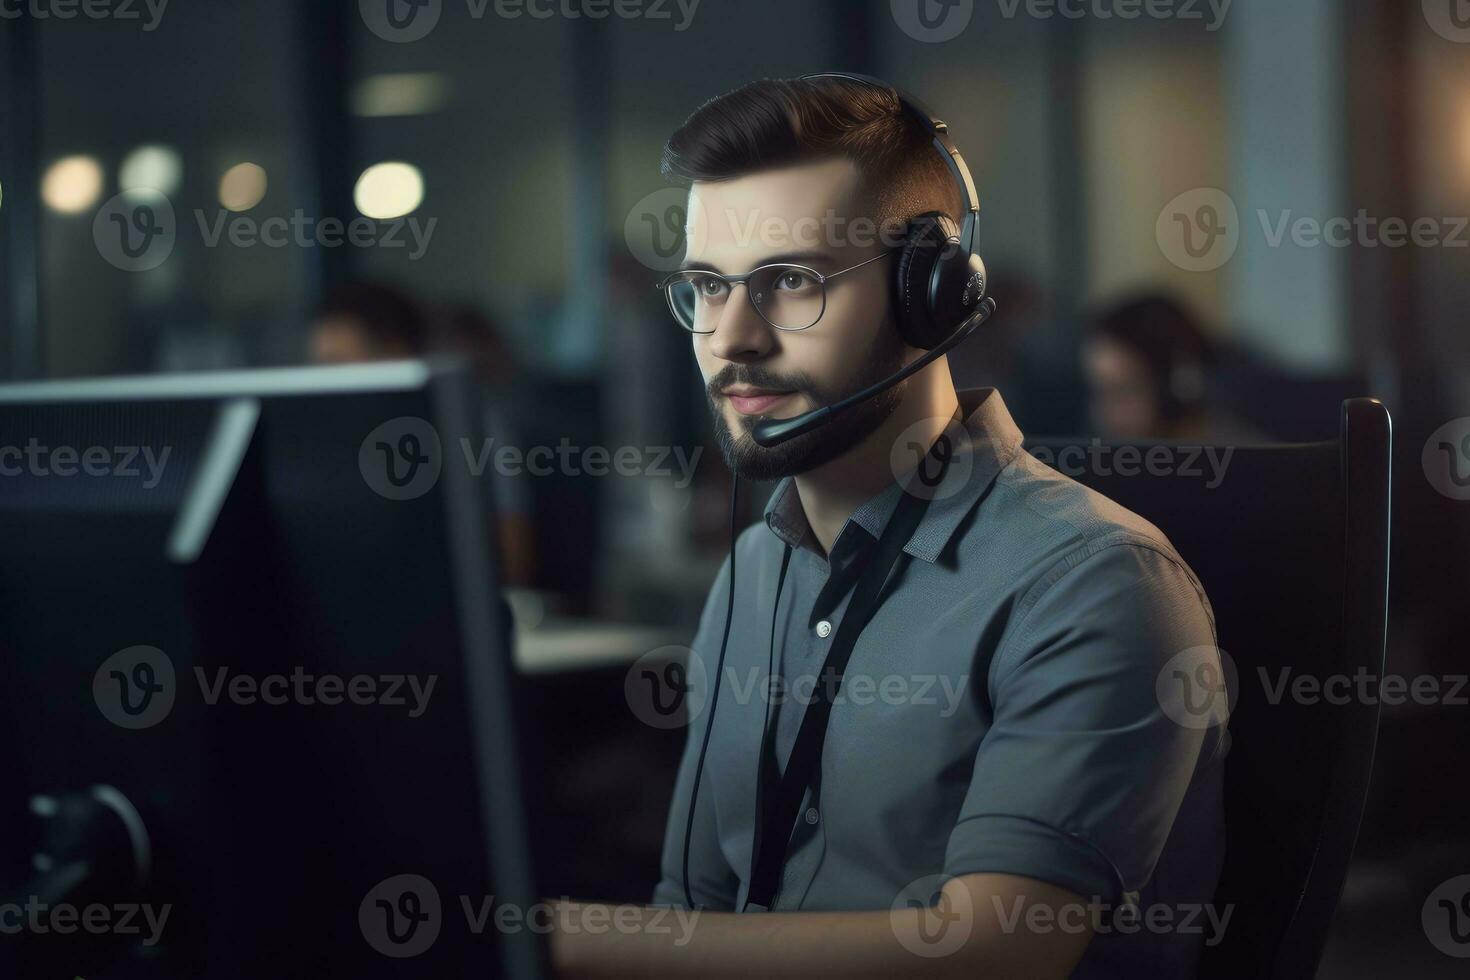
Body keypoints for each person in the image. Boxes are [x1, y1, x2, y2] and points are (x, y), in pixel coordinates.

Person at [549, 75, 1228, 978]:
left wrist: (563, 943)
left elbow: (992, 957)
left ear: (930, 294)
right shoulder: (757, 569)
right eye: (709, 287)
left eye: (789, 281)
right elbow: (696, 912)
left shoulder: (1096, 583)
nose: (733, 337)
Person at [308, 282, 535, 586]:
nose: (323, 383)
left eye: (336, 364)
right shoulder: (323, 439)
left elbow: (509, 557)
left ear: (394, 354)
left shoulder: (464, 424)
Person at [1083, 293, 1252, 442]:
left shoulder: (1250, 464)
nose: (1105, 414)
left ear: (1179, 385)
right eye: (1099, 392)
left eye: (1124, 391)